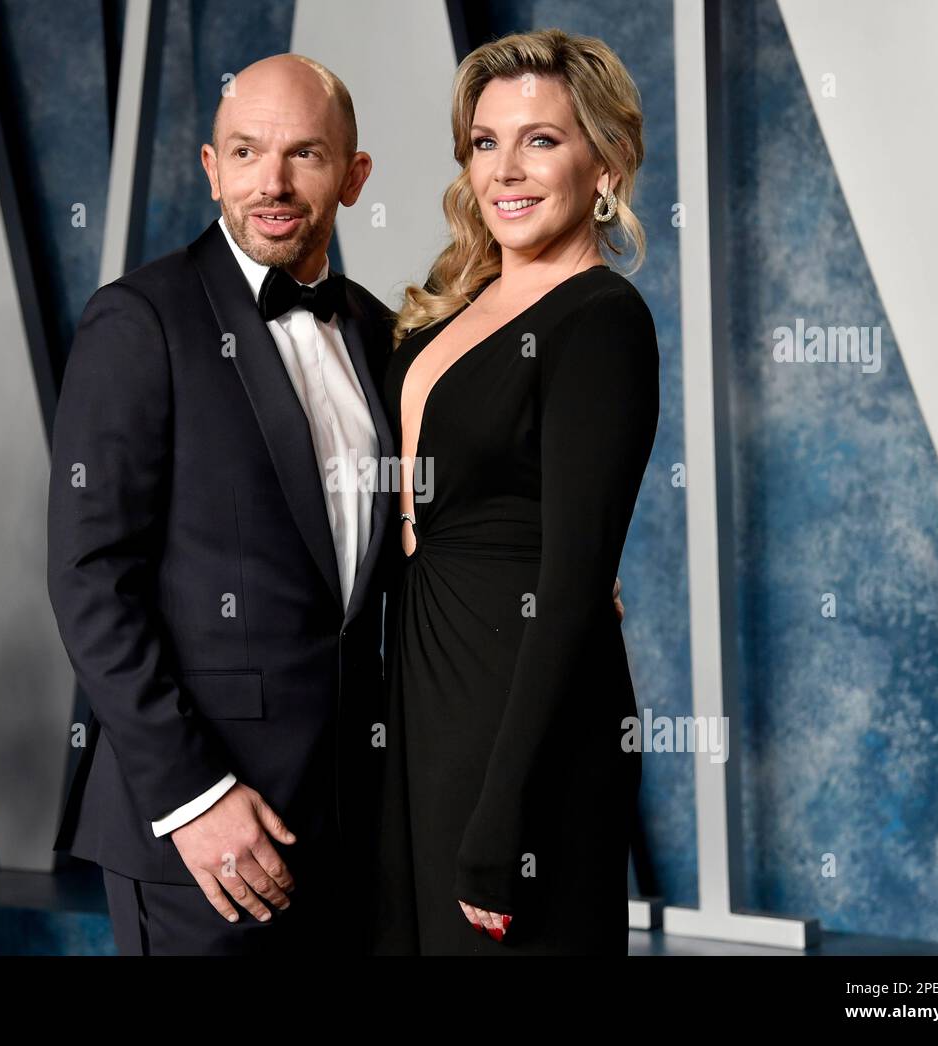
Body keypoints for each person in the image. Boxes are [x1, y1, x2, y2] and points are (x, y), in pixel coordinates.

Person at [46, 54, 399, 955]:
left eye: (305, 155)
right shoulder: (140, 320)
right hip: (200, 836)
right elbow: (91, 580)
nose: (271, 184)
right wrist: (193, 798)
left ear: (354, 176)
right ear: (211, 168)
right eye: (245, 153)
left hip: (356, 826)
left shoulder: (376, 331)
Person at [373, 29, 660, 955]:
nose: (507, 167)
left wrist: (505, 816)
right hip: (426, 694)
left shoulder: (602, 322)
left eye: (541, 139)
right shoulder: (454, 304)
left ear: (605, 161)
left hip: (519, 726)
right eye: (487, 141)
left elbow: (575, 584)